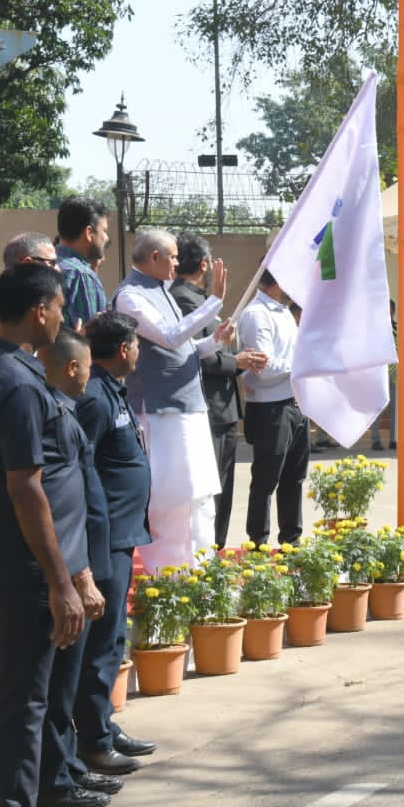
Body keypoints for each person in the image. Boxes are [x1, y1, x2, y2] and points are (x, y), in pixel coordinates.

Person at [0, 263, 102, 807]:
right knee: (20, 710)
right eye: (60, 307)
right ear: (39, 310)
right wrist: (61, 580)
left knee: (6, 706)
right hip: (24, 567)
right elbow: (26, 487)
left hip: (18, 563)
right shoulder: (15, 382)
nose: (65, 317)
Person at [112, 229, 233, 573]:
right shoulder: (130, 296)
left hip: (189, 410)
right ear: (154, 257)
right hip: (162, 414)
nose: (178, 264)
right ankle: (171, 582)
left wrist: (215, 342)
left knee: (200, 499)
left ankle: (201, 577)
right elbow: (168, 337)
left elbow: (183, 348)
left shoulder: (161, 291)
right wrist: (213, 303)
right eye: (174, 256)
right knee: (171, 503)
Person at [37, 329, 122, 807]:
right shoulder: (52, 410)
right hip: (68, 565)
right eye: (87, 366)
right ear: (73, 367)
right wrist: (79, 574)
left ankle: (67, 768)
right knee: (56, 683)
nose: (90, 375)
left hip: (83, 554)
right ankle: (55, 780)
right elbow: (56, 506)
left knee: (66, 680)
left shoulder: (65, 408)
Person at [76, 312, 158, 767]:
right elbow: (77, 467)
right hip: (101, 537)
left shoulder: (109, 391)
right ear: (124, 349)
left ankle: (101, 722)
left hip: (121, 532)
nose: (139, 352)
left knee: (112, 638)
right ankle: (92, 740)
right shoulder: (93, 398)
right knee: (102, 640)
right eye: (137, 345)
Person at [171, 232, 266, 547]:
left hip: (220, 406)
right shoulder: (186, 300)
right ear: (204, 264)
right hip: (208, 405)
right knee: (211, 490)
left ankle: (215, 549)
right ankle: (209, 551)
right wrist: (235, 361)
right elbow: (198, 355)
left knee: (222, 488)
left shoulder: (198, 300)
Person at [237, 269, 309, 546]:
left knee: (294, 477)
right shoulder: (257, 315)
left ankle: (291, 541)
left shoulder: (282, 312)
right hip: (270, 408)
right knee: (266, 481)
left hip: (293, 403)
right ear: (278, 280)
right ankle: (258, 542)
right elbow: (263, 367)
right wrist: (302, 364)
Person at [56, 196, 111, 329]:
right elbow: (90, 339)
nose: (106, 238)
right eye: (104, 231)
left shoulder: (45, 263)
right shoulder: (81, 275)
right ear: (89, 233)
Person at [369, 298, 399, 450]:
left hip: (395, 371)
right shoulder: (373, 328)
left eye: (388, 309)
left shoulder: (398, 328)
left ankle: (394, 439)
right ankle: (376, 439)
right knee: (376, 405)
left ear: (393, 311)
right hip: (378, 370)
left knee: (395, 407)